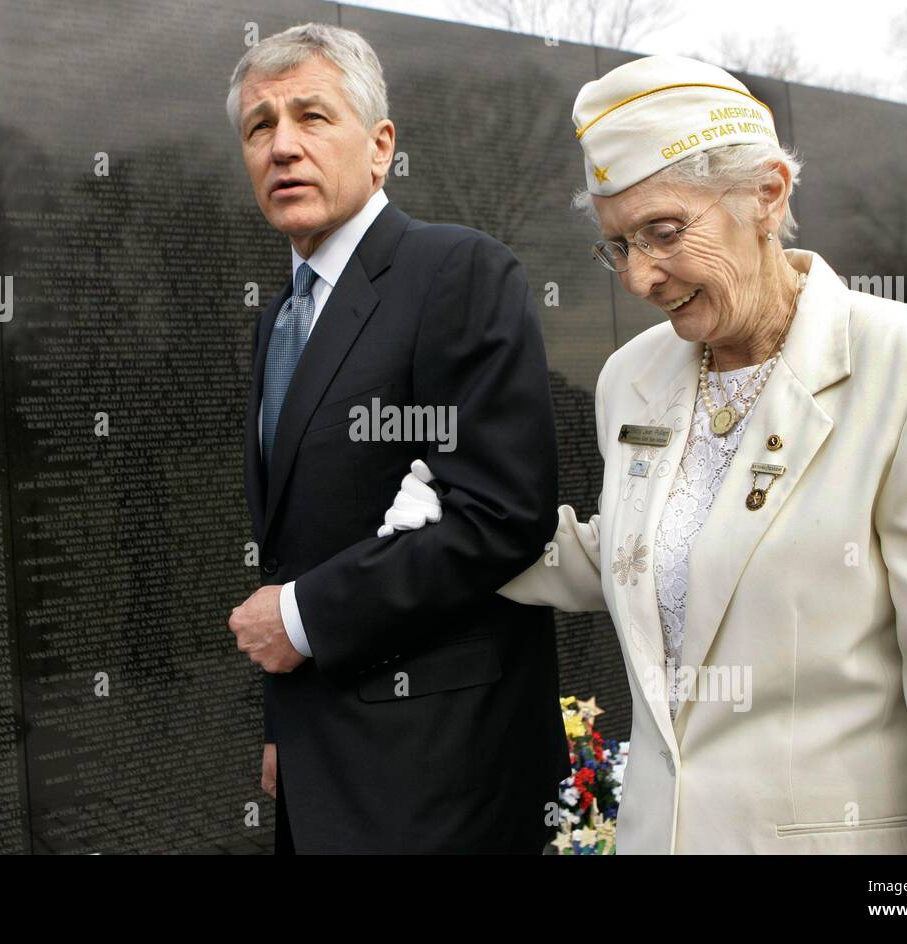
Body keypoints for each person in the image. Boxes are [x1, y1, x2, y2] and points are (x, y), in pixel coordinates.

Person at [379, 54, 907, 853]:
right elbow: (648, 555)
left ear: (768, 193)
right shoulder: (634, 377)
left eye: (663, 233)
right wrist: (464, 525)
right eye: (617, 246)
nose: (638, 277)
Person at [224, 23, 569, 854]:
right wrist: (288, 726)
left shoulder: (458, 274)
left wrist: (302, 619)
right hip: (322, 763)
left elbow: (502, 513)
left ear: (381, 148)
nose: (282, 146)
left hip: (442, 774)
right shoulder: (279, 315)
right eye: (260, 126)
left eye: (312, 117)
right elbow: (295, 544)